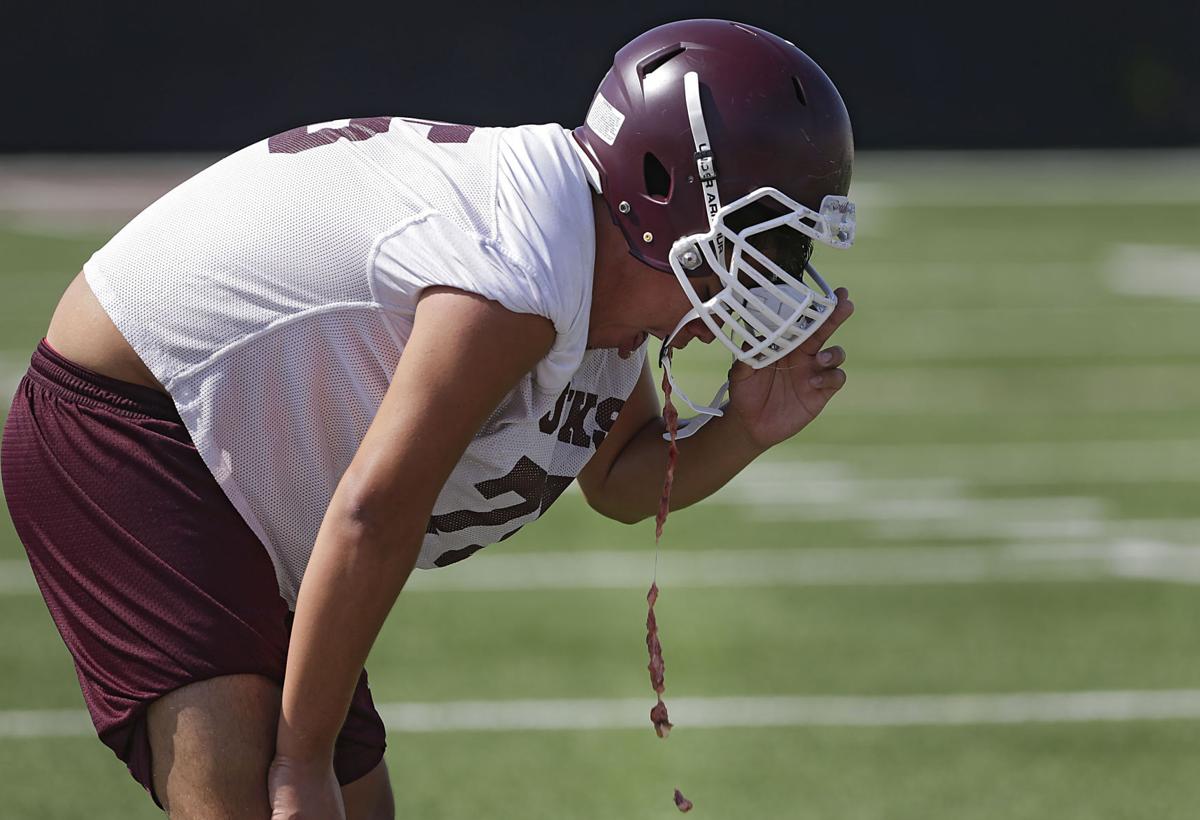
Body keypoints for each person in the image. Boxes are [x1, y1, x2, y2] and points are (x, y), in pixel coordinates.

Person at [0, 18, 856, 820]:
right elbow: (375, 515)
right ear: (667, 190)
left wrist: (742, 428)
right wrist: (302, 759)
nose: (781, 278)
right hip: (139, 424)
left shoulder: (597, 269)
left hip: (238, 451)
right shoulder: (520, 274)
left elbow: (621, 478)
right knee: (261, 803)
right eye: (770, 242)